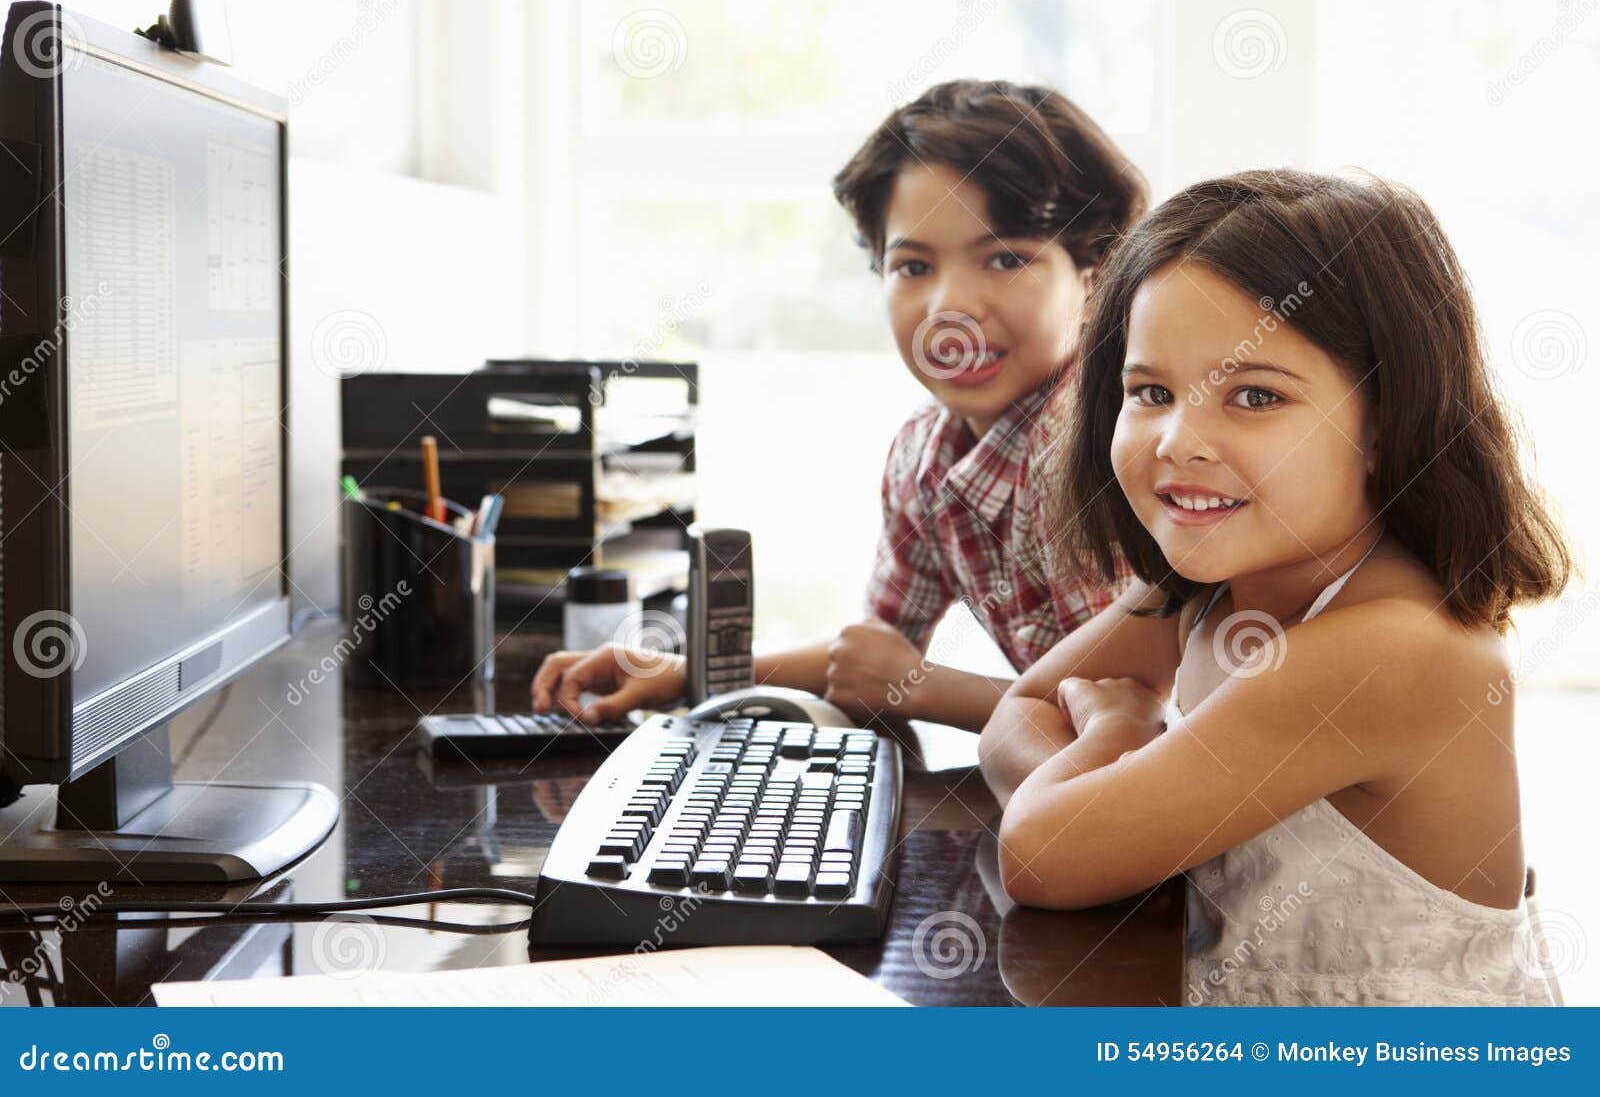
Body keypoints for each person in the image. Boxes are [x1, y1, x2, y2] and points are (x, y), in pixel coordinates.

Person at [981, 168, 1574, 1004]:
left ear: (1386, 420)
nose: (1179, 440)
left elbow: (1042, 853)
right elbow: (1018, 715)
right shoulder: (1214, 583)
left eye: (1254, 395)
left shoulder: (1390, 650)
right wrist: (1106, 802)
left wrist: (1116, 733)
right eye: (1151, 391)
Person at [534, 80, 1145, 731]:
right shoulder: (926, 452)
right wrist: (685, 673)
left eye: (1004, 259)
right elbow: (868, 657)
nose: (951, 309)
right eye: (914, 267)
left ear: (1095, 278)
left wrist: (923, 689)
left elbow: (1141, 720)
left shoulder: (1097, 445)